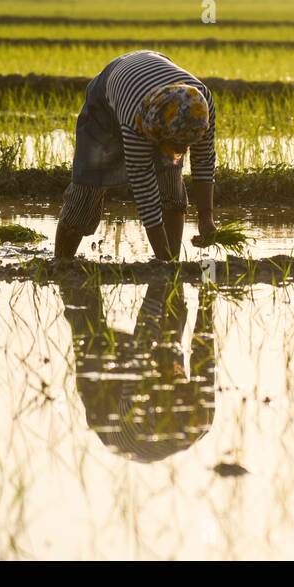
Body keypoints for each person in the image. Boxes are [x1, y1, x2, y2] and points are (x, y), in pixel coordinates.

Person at [54, 49, 218, 262]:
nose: (181, 151)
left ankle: (172, 258)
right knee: (88, 189)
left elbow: (204, 160)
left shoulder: (200, 108)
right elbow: (146, 193)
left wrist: (207, 218)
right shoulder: (136, 122)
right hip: (106, 104)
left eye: (185, 144)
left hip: (151, 76)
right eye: (173, 145)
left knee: (171, 182)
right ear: (156, 133)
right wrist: (162, 262)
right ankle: (60, 263)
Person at [58, 276, 216, 463]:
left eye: (179, 382)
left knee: (88, 326)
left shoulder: (141, 412)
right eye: (183, 382)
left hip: (105, 402)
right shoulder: (204, 415)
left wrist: (158, 281)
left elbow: (141, 345)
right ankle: (171, 264)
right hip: (148, 401)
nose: (180, 374)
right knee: (171, 328)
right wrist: (209, 275)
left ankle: (66, 270)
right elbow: (204, 344)